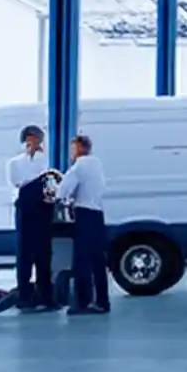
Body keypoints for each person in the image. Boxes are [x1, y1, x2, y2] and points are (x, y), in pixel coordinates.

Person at [7, 125, 59, 311]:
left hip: (43, 208)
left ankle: (45, 296)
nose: (38, 142)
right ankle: (25, 296)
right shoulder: (15, 162)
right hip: (26, 208)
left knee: (43, 254)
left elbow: (49, 179)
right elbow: (18, 181)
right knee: (25, 253)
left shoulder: (45, 160)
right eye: (34, 138)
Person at [56, 134, 110, 315]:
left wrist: (59, 197)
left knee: (82, 261)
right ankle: (102, 301)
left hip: (84, 214)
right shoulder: (97, 164)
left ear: (79, 148)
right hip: (98, 213)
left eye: (73, 148)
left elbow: (63, 191)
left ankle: (83, 302)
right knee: (98, 261)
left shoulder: (79, 166)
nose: (71, 153)